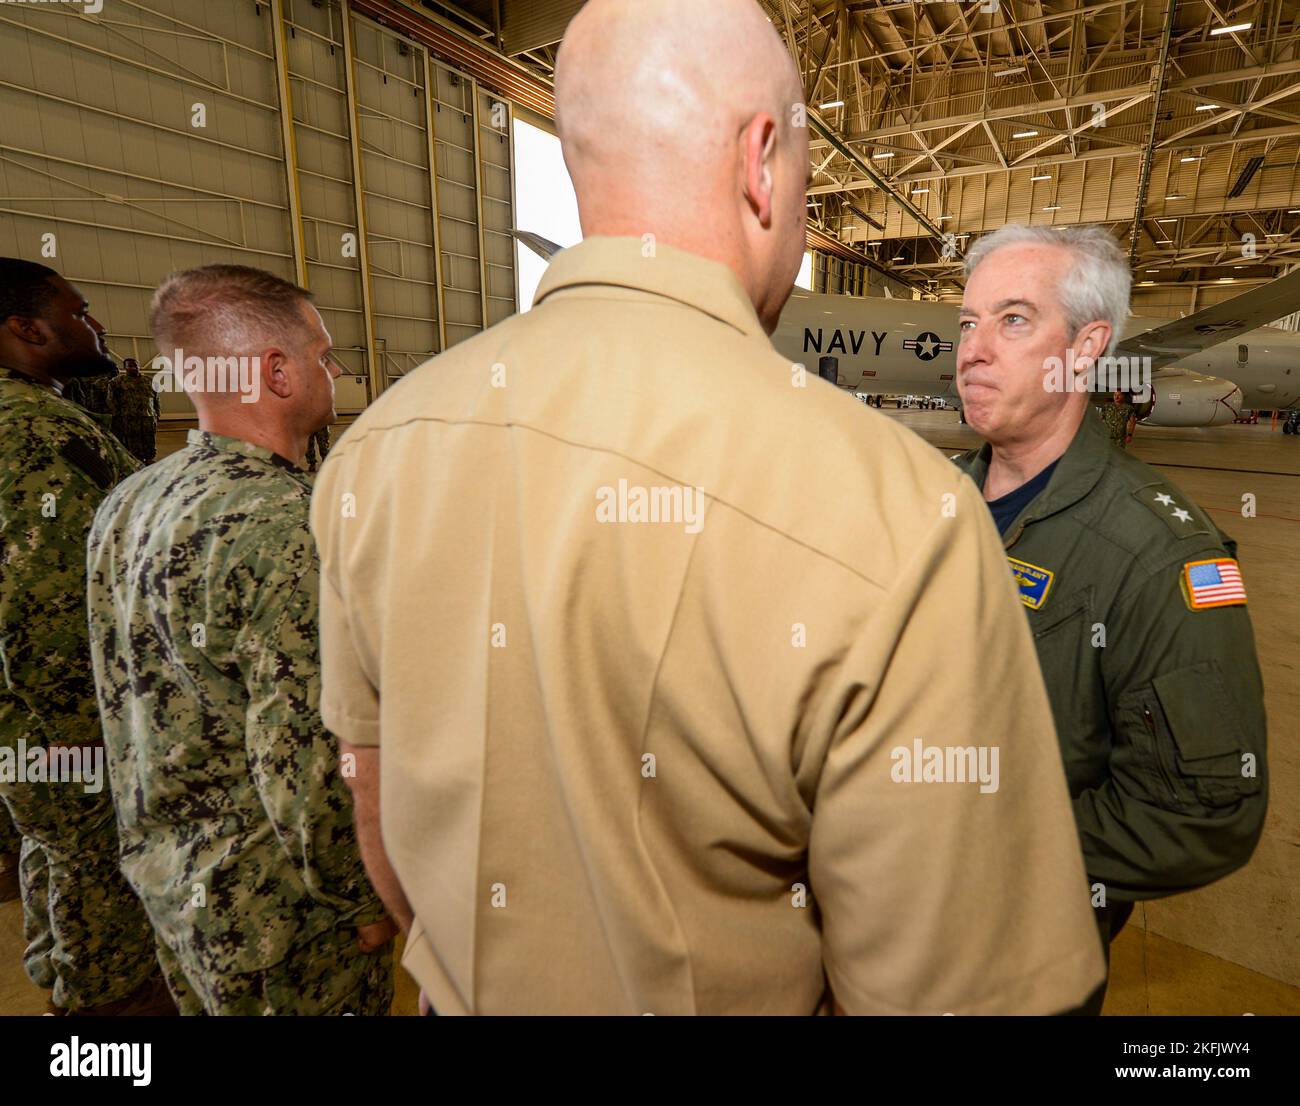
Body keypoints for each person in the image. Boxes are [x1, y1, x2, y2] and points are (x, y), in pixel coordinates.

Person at [312, 0, 1104, 1016]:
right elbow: (960, 991)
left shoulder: (377, 450)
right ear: (761, 161)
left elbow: (373, 806)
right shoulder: (901, 515)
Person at [952, 224, 1268, 1010]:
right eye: (967, 322)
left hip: (1019, 967)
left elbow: (1204, 812)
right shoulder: (927, 500)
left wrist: (977, 848)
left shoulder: (1159, 553)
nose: (974, 350)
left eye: (1013, 320)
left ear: (1087, 347)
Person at [87, 264, 396, 1015]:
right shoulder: (290, 528)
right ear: (276, 371)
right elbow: (310, 757)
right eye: (325, 356)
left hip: (173, 888)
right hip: (284, 916)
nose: (336, 372)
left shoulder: (130, 500)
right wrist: (363, 897)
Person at [0, 257, 167, 1015]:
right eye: (80, 312)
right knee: (111, 924)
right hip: (75, 740)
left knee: (59, 871)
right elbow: (44, 618)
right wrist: (105, 750)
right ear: (26, 330)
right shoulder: (35, 433)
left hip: (30, 740)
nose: (95, 324)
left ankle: (66, 982)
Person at [108, 356, 160, 463]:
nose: (133, 368)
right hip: (129, 417)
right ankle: (136, 459)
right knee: (133, 439)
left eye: (135, 365)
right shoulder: (117, 382)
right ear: (125, 368)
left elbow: (156, 398)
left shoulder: (149, 381)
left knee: (149, 438)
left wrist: (157, 413)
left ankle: (150, 458)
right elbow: (111, 400)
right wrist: (117, 416)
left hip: (148, 416)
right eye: (130, 366)